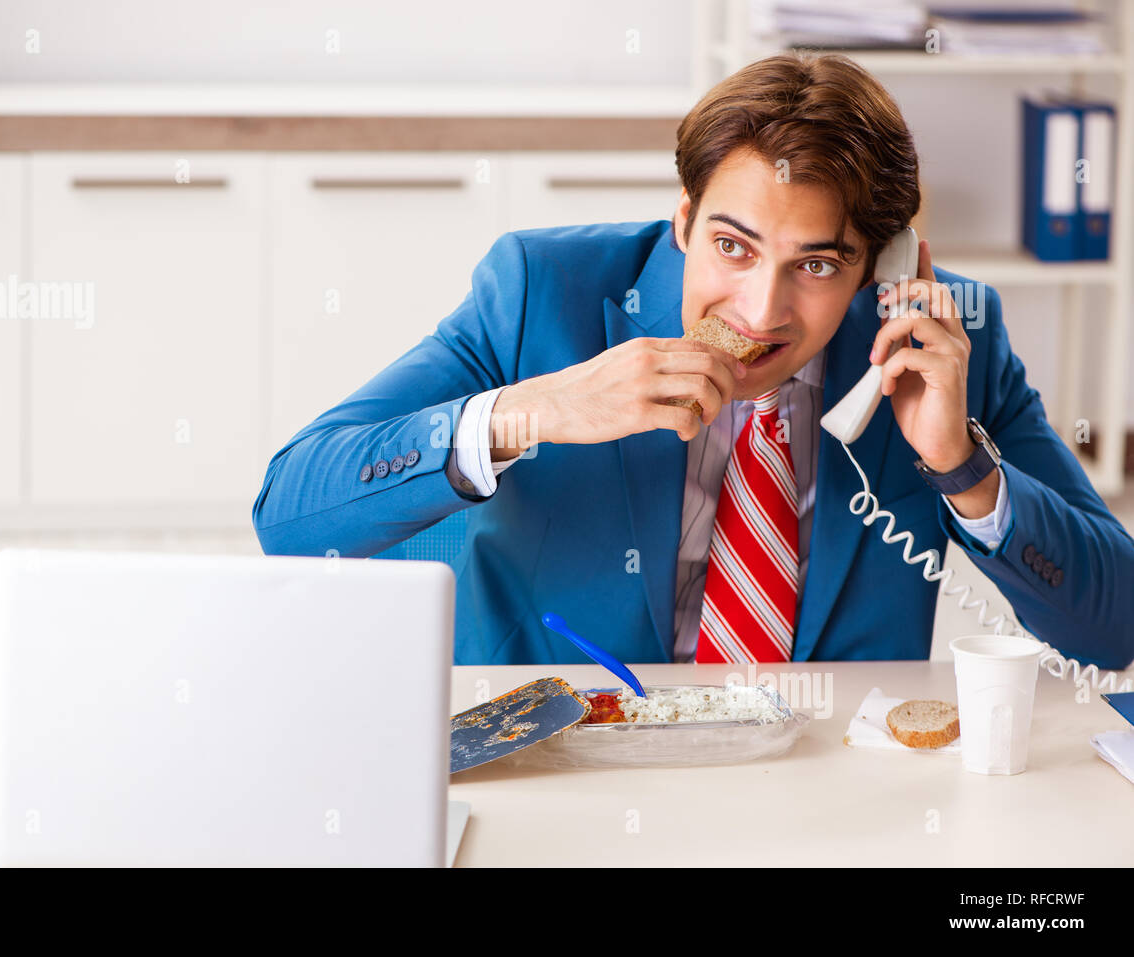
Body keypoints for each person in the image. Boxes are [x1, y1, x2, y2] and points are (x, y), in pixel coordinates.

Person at [252, 52, 1134, 670]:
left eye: (817, 265)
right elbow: (289, 516)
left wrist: (964, 469)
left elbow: (1115, 627)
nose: (759, 311)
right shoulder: (541, 290)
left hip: (825, 797)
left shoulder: (945, 340)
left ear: (884, 263)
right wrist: (534, 411)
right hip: (569, 771)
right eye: (733, 246)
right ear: (683, 220)